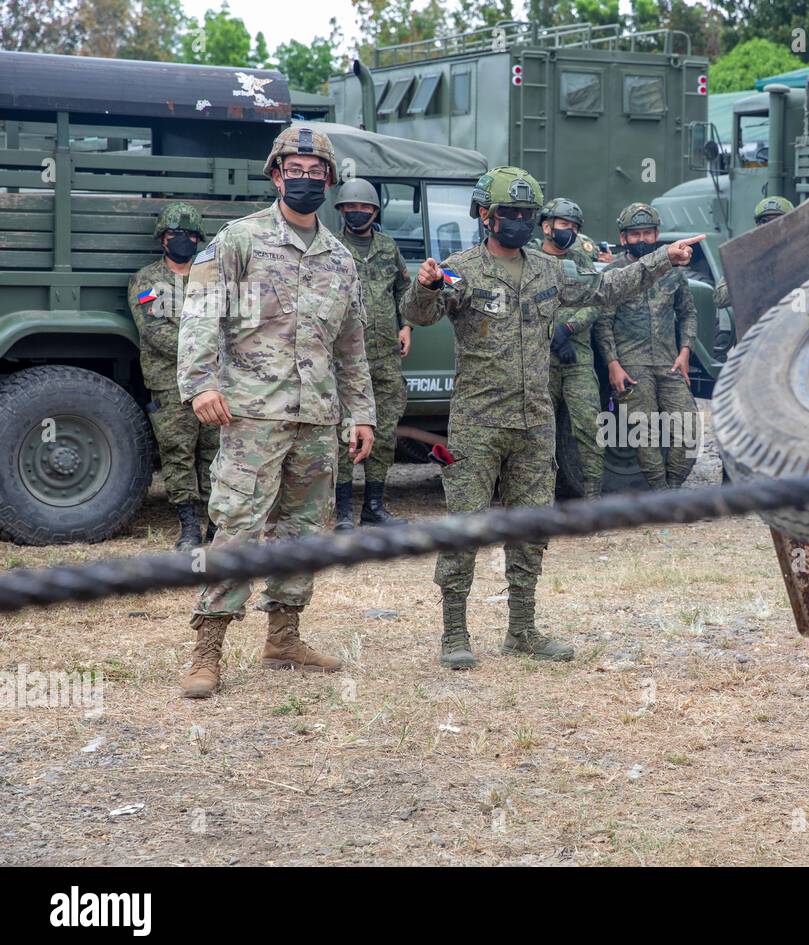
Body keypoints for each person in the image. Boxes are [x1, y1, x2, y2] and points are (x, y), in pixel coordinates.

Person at [401, 166, 704, 670]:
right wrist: (426, 285)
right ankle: (454, 633)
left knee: (532, 526)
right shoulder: (461, 268)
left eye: (525, 215)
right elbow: (423, 314)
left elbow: (607, 288)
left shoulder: (548, 270)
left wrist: (661, 260)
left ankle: (522, 629)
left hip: (535, 420)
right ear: (485, 215)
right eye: (509, 214)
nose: (518, 222)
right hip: (478, 422)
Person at [175, 124, 377, 699]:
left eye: (317, 174)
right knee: (237, 526)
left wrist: (361, 413)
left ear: (330, 181)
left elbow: (352, 346)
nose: (306, 180)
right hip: (250, 416)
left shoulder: (340, 260)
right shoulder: (239, 240)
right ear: (276, 174)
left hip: (316, 418)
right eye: (296, 170)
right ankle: (207, 650)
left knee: (302, 532)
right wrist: (199, 385)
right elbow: (200, 315)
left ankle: (283, 638)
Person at [127, 202, 221, 550]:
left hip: (214, 382)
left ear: (198, 239)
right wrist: (202, 352)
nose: (181, 240)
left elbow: (227, 323)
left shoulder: (213, 276)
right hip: (171, 384)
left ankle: (215, 526)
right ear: (162, 238)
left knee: (215, 454)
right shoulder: (147, 281)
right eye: (173, 234)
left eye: (188, 234)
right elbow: (154, 331)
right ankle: (188, 528)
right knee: (178, 453)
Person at [595, 202, 699, 490]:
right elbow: (603, 323)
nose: (642, 240)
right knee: (646, 432)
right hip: (632, 364)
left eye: (648, 233)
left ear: (657, 234)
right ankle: (660, 495)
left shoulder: (674, 271)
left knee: (688, 426)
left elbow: (688, 312)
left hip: (670, 362)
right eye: (635, 234)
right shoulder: (614, 273)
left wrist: (685, 351)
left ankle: (672, 488)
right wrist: (613, 365)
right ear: (623, 238)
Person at [331, 177, 411, 530]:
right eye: (350, 207)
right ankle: (344, 512)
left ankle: (374, 507)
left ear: (375, 211)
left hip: (386, 359)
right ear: (341, 210)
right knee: (346, 432)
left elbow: (404, 289)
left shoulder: (388, 248)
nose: (357, 213)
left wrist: (406, 324)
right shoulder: (331, 248)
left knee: (386, 430)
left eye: (364, 208)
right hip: (345, 360)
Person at [531, 197, 605, 498]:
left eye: (574, 227)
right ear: (547, 226)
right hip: (539, 360)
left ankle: (593, 499)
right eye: (564, 225)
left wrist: (568, 329)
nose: (569, 231)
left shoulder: (582, 261)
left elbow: (596, 302)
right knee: (538, 432)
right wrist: (553, 336)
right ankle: (540, 499)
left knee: (589, 427)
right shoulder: (530, 259)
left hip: (578, 359)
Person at [713, 196, 794, 311]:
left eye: (778, 220)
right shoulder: (743, 255)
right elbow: (719, 298)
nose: (770, 225)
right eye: (764, 221)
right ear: (757, 225)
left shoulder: (802, 248)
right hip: (757, 323)